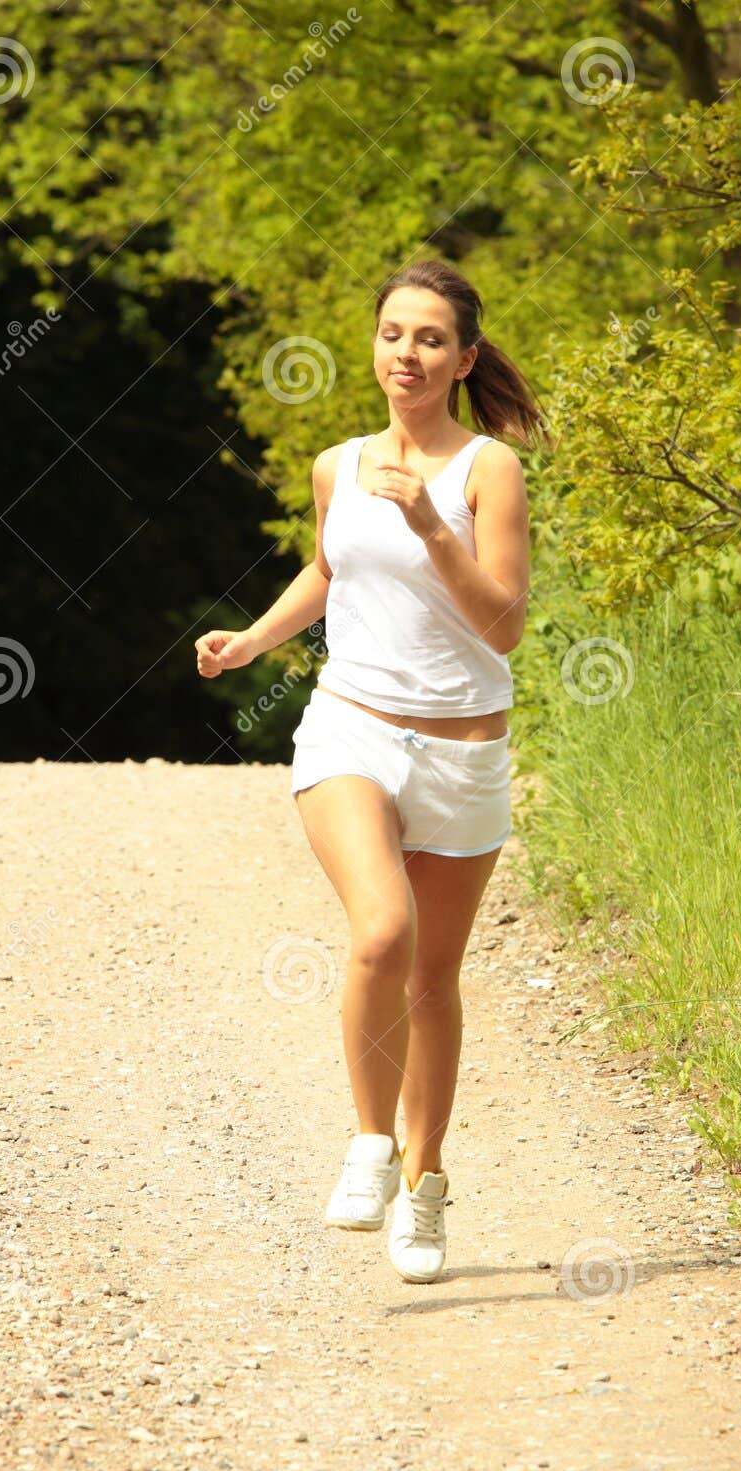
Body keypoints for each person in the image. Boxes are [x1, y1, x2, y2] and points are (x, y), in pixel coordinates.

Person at [195, 257, 548, 1283]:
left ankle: (427, 1184)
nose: (408, 352)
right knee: (381, 932)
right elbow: (328, 565)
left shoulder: (487, 471)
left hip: (463, 751)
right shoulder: (334, 464)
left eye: (430, 338)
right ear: (375, 345)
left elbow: (505, 625)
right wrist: (253, 642)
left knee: (433, 981)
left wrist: (431, 526)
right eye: (394, 333)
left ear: (462, 359)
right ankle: (369, 1142)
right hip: (348, 727)